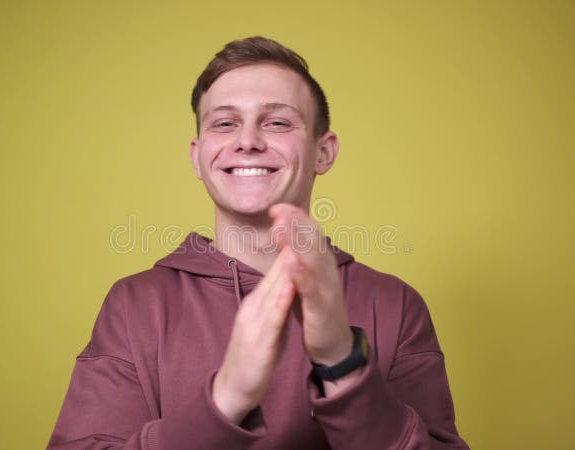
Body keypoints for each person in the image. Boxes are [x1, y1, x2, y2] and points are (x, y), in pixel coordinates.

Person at [47, 36, 469, 450]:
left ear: (323, 152)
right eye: (225, 123)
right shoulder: (134, 304)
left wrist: (342, 360)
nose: (247, 140)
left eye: (278, 122)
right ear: (198, 156)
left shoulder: (394, 303)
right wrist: (225, 398)